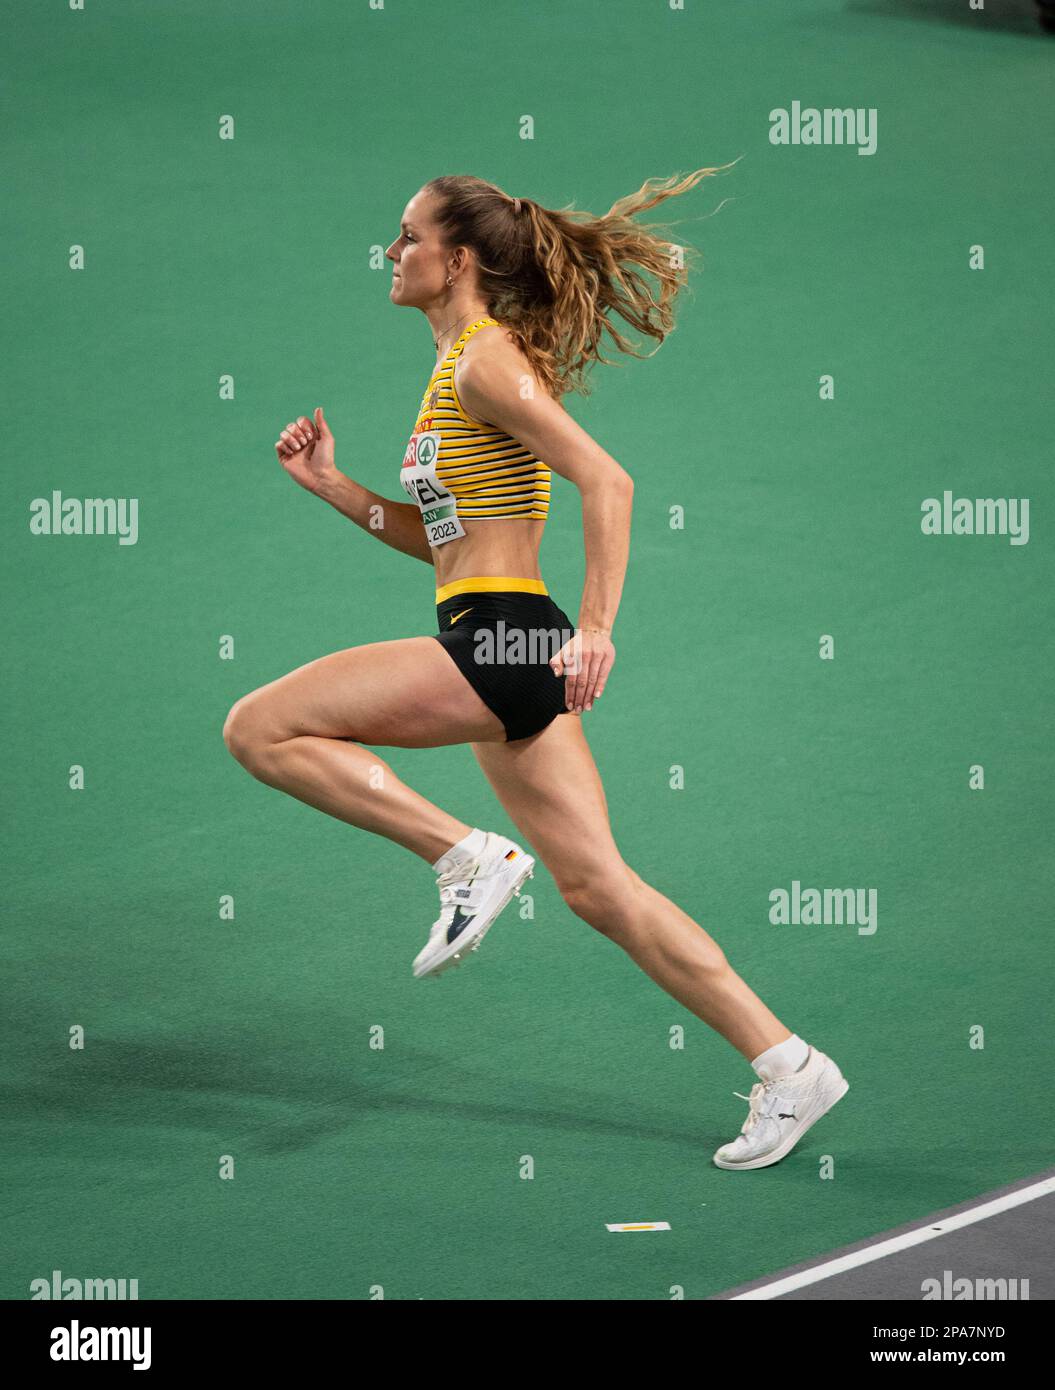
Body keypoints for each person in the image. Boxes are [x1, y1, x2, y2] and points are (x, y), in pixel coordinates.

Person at [222, 170, 849, 1170]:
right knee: (599, 889)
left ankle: (462, 857)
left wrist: (597, 628)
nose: (391, 251)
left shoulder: (484, 363)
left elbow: (608, 480)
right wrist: (333, 486)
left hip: (506, 642)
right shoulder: (457, 367)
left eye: (408, 236)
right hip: (505, 640)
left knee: (260, 728)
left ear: (458, 260)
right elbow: (443, 542)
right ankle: (788, 1064)